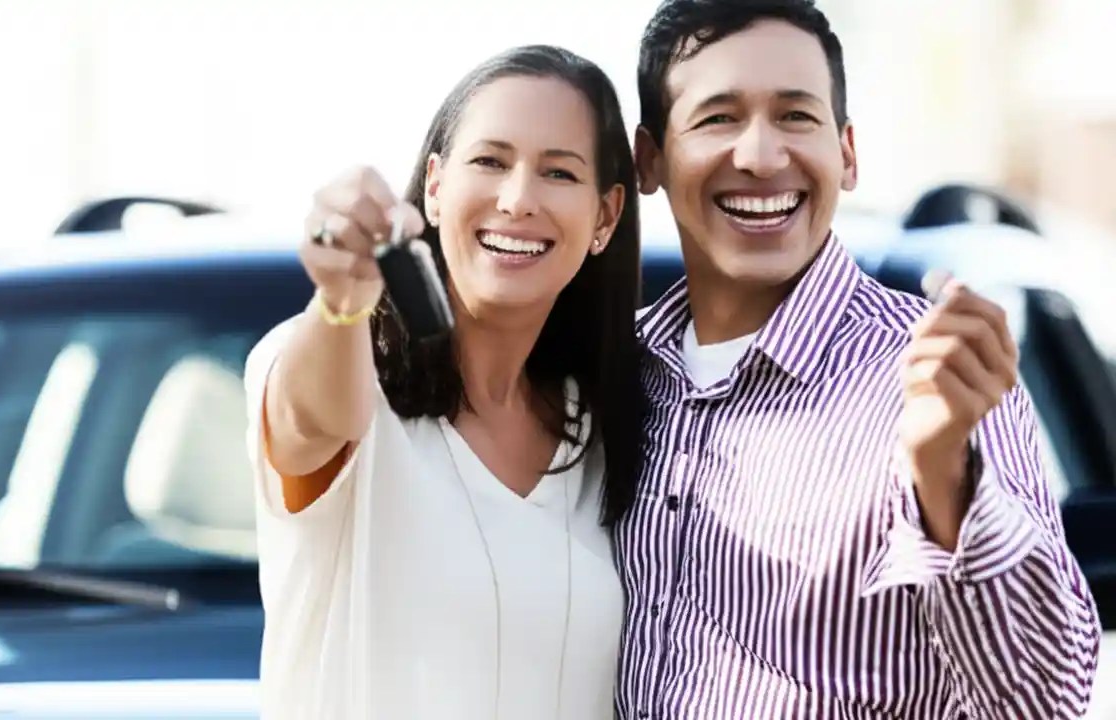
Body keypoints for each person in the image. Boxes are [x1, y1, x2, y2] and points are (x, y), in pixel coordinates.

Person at [616, 1, 1101, 718]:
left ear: (847, 154)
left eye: (795, 117)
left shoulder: (934, 379)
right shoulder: (615, 375)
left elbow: (1043, 700)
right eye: (718, 118)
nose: (759, 155)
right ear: (650, 160)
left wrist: (943, 471)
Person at [243, 45, 643, 719]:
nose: (518, 199)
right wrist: (342, 298)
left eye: (558, 172)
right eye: (489, 161)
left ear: (604, 217)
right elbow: (315, 418)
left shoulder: (604, 426)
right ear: (434, 185)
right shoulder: (344, 368)